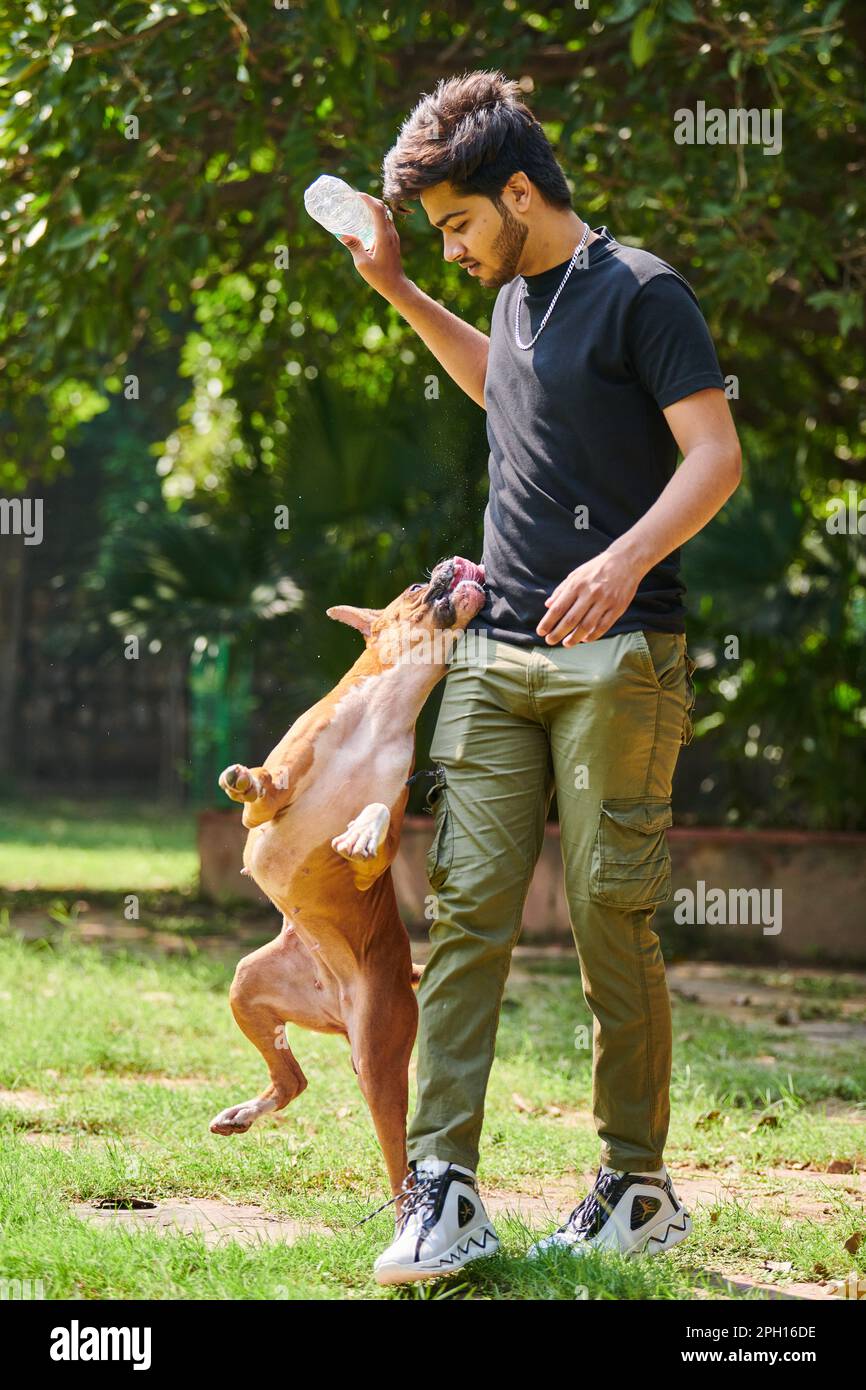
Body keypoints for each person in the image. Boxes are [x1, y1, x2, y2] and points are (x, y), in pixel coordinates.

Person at [339, 70, 741, 1286]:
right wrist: (401, 285)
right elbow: (502, 391)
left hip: (620, 657)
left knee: (610, 921)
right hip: (498, 652)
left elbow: (715, 455)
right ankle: (442, 1187)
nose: (454, 245)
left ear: (522, 191)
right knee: (465, 912)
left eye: (459, 223)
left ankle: (634, 1184)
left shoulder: (640, 292)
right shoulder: (514, 299)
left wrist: (621, 564)